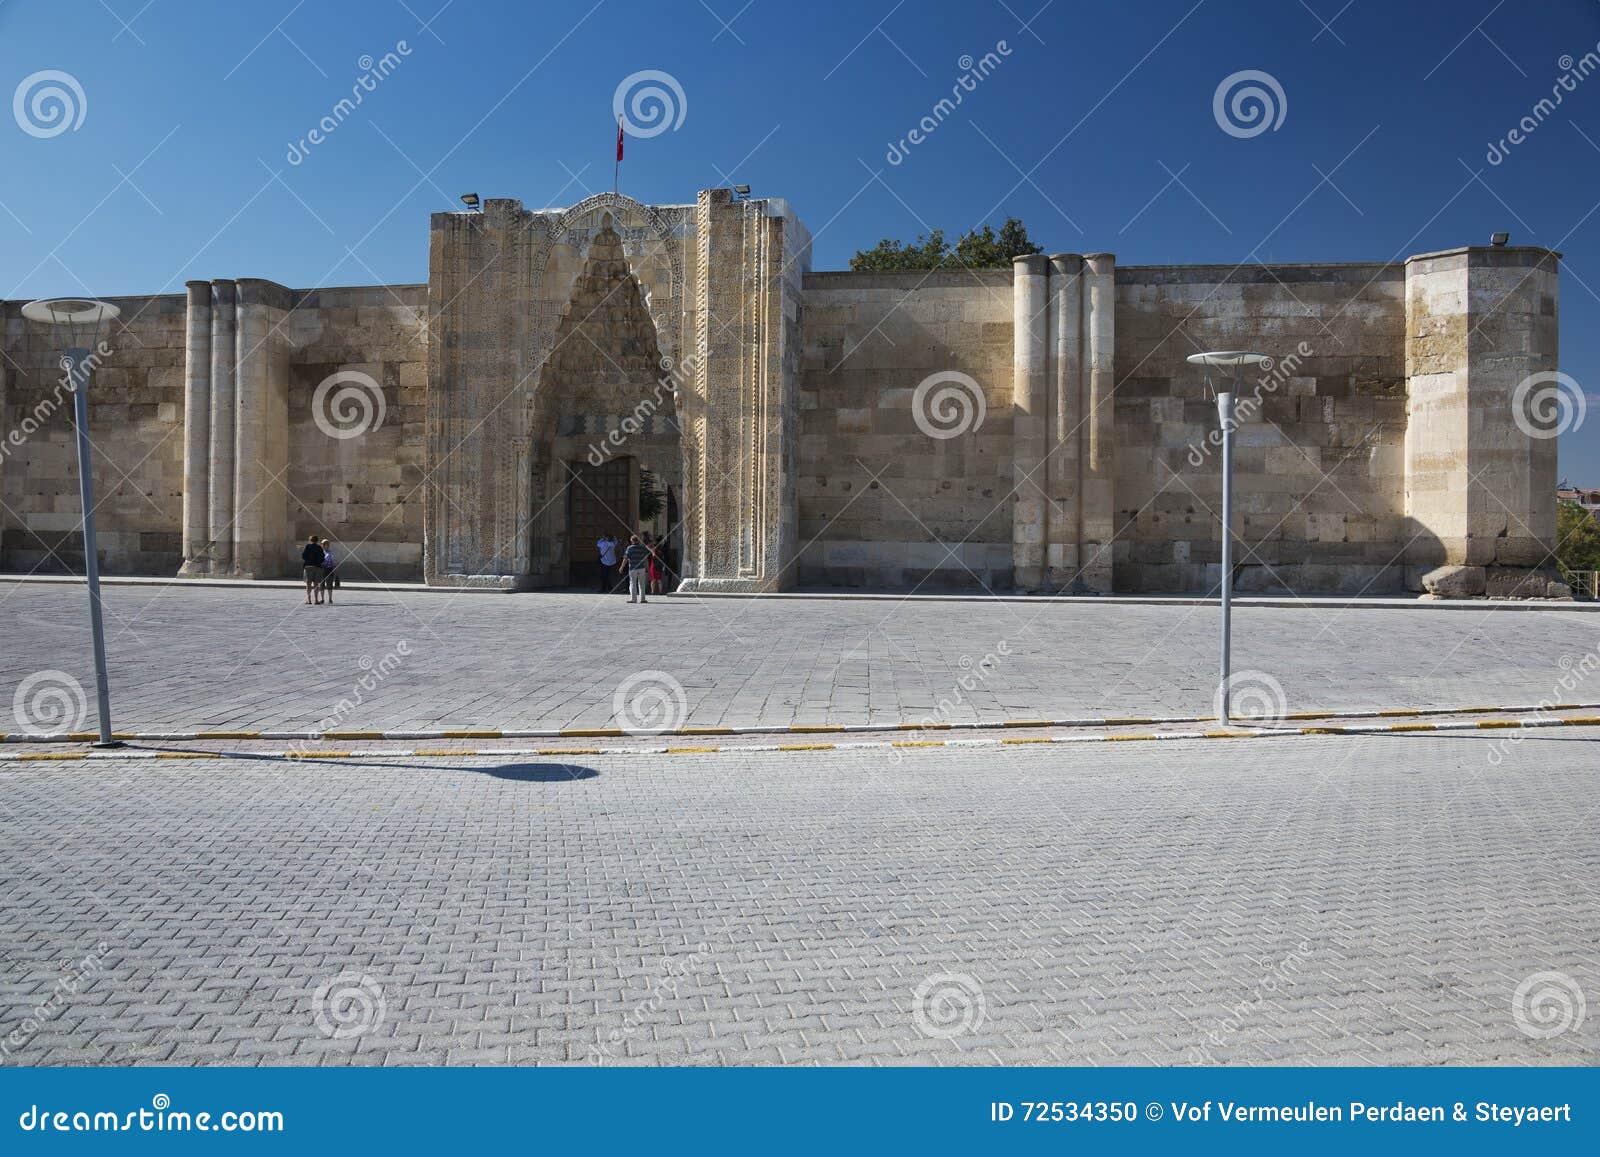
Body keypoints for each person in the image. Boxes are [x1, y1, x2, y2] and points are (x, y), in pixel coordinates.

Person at [619, 534, 651, 603]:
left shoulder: (629, 548)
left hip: (633, 568)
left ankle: (633, 599)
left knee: (633, 583)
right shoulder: (643, 548)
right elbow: (646, 559)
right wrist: (647, 568)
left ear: (632, 541)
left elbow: (625, 559)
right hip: (642, 568)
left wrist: (622, 567)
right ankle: (643, 599)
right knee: (642, 584)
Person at [300, 535, 325, 605]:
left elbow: (303, 556)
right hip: (317, 567)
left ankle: (309, 600)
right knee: (316, 584)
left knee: (308, 584)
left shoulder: (308, 546)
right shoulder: (319, 547)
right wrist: (318, 562)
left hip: (308, 567)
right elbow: (323, 557)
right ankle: (316, 600)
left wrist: (308, 560)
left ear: (310, 540)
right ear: (317, 541)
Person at [646, 532, 666, 597]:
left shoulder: (654, 551)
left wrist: (651, 542)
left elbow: (646, 546)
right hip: (659, 566)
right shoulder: (662, 551)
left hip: (654, 566)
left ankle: (652, 591)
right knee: (659, 580)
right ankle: (660, 592)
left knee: (653, 580)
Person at [320, 538, 337, 605]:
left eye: (326, 544)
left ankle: (330, 599)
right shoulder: (320, 552)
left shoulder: (330, 553)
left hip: (329, 570)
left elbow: (333, 562)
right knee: (321, 585)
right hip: (321, 570)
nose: (324, 545)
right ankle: (322, 599)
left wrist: (334, 570)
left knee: (329, 585)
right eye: (323, 544)